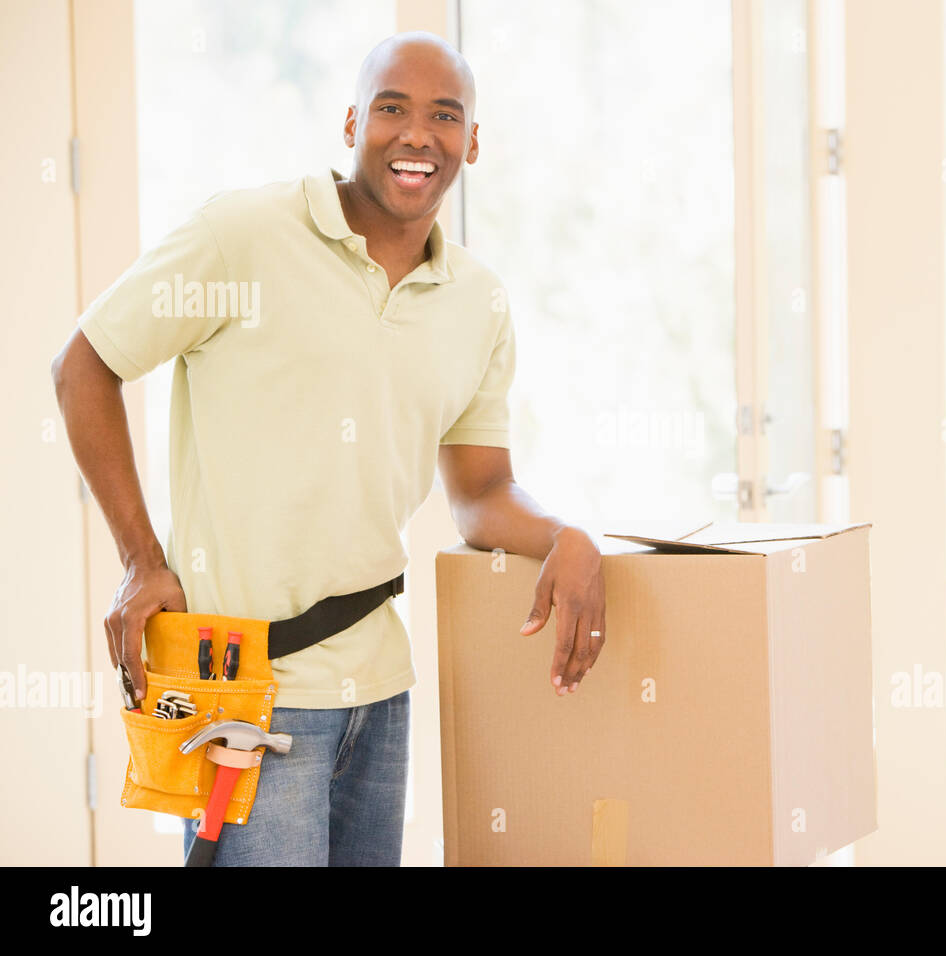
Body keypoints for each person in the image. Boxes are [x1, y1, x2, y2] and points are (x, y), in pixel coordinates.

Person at [49, 31, 606, 866]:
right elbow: (84, 365)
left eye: (444, 116)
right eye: (392, 109)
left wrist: (566, 536)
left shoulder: (477, 303)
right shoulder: (242, 236)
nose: (417, 135)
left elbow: (482, 489)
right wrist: (140, 558)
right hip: (241, 696)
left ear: (473, 143)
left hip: (380, 688)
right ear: (351, 123)